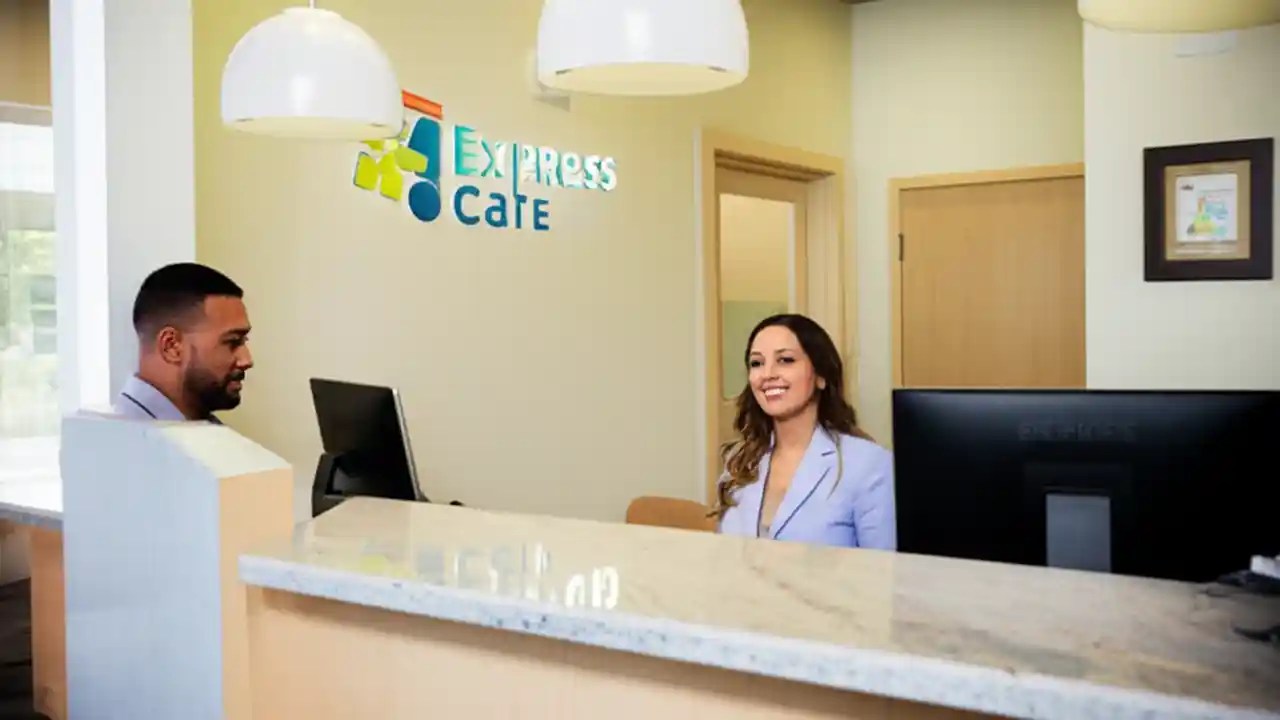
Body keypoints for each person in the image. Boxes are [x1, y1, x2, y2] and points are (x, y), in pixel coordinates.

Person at [713, 314, 895, 550]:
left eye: (786, 360)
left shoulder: (868, 464)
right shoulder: (739, 461)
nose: (767, 374)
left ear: (821, 376)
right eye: (756, 363)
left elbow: (886, 573)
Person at [112, 263, 253, 423]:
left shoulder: (201, 433)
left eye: (244, 341)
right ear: (171, 346)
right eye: (233, 342)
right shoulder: (116, 443)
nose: (247, 360)